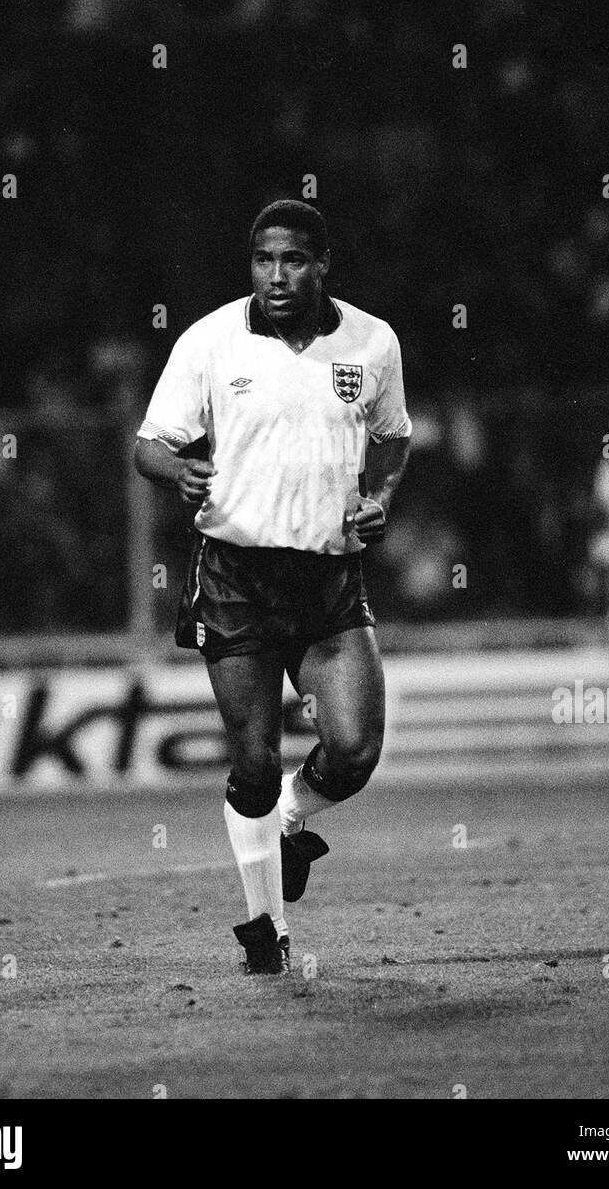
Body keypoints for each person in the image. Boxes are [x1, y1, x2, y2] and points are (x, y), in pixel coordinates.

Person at [135, 200, 412, 973]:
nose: (276, 275)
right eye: (263, 260)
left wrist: (379, 497)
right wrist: (176, 469)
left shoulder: (372, 342)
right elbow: (148, 445)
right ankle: (266, 930)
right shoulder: (210, 340)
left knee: (354, 751)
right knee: (253, 761)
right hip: (235, 579)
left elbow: (393, 438)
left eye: (292, 260)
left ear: (321, 263)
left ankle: (286, 822)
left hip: (328, 581)